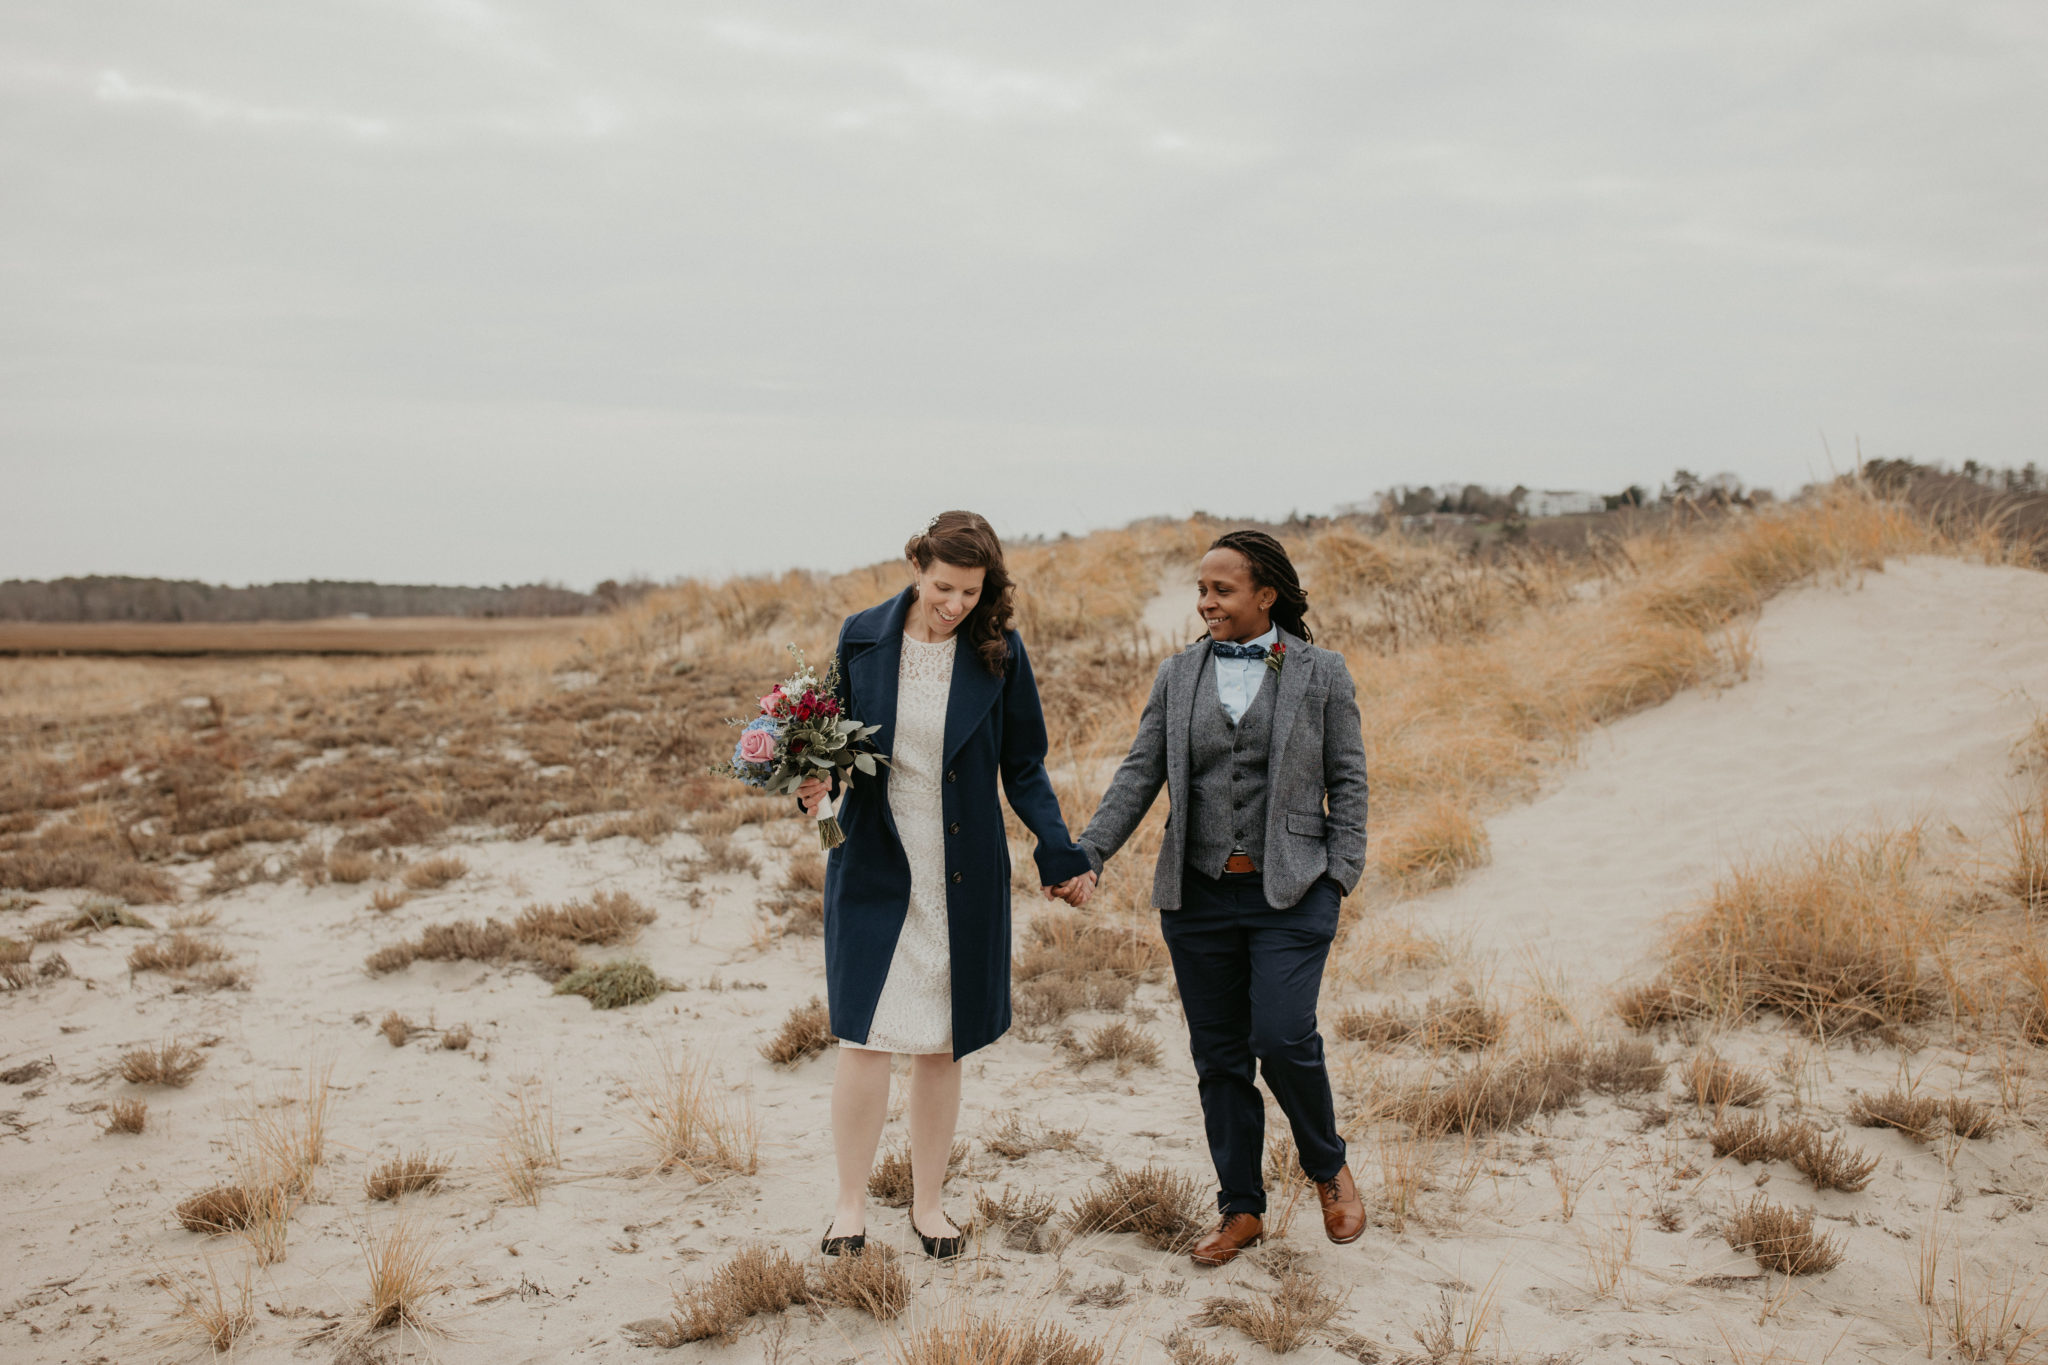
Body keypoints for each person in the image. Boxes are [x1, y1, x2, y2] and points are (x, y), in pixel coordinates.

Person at [796, 511, 1095, 1260]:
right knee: (864, 1037)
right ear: (916, 566)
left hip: (962, 872)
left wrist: (1058, 852)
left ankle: (929, 1204)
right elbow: (831, 742)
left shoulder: (1001, 653)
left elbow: (1023, 765)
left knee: (941, 1044)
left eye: (970, 590)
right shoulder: (862, 635)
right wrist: (814, 781)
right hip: (873, 862)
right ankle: (848, 1206)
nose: (954, 603)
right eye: (942, 586)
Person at [1076, 529, 1369, 1267]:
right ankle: (1240, 1208)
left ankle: (1327, 1163)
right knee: (1220, 1057)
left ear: (1264, 593)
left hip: (1293, 890)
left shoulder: (1322, 671)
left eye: (1221, 589)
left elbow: (1350, 778)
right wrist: (1089, 852)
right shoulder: (1177, 675)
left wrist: (1340, 874)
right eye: (1201, 590)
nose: (1206, 602)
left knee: (1281, 1036)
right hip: (1197, 897)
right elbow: (1139, 773)